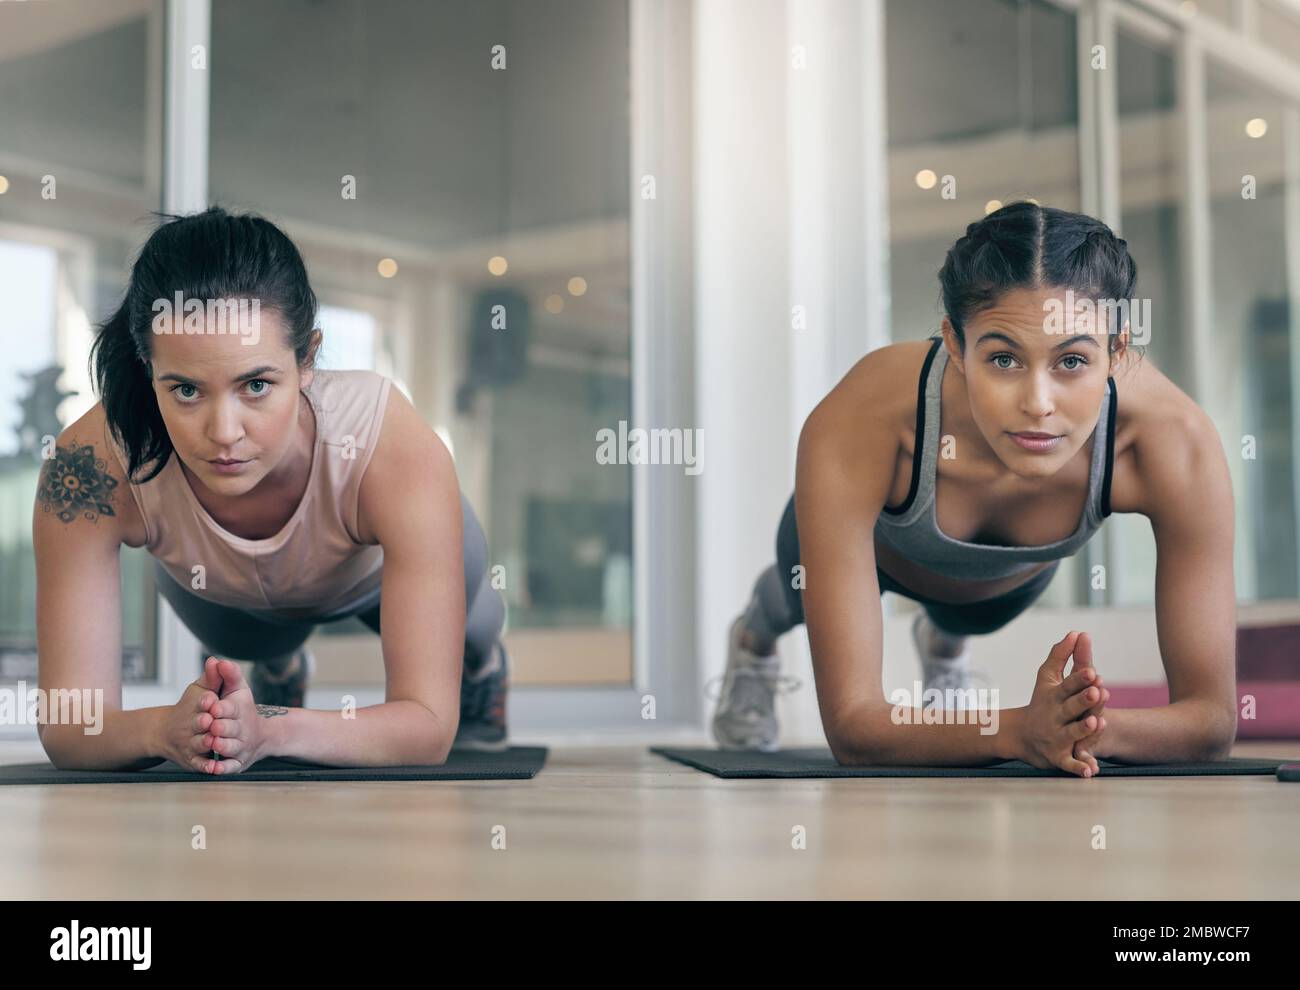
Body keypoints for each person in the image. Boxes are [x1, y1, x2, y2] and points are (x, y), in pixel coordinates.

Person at [712, 202, 1237, 776]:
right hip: (884, 551)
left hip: (1001, 587)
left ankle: (943, 643)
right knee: (790, 600)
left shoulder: (1173, 441)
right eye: (1004, 358)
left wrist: (1076, 727)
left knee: (968, 620)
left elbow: (1211, 721)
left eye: (1072, 361)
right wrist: (1014, 730)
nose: (1038, 403)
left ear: (1116, 352)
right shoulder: (862, 415)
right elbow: (855, 729)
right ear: (956, 347)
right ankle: (751, 641)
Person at [35, 206, 507, 774]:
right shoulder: (88, 466)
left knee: (472, 625)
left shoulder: (388, 441)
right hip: (225, 590)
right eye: (185, 389)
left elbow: (427, 729)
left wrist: (272, 730)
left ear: (307, 358)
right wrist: (162, 729)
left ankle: (484, 668)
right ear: (146, 367)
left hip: (370, 573)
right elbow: (69, 726)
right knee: (256, 644)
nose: (224, 433)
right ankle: (282, 666)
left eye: (256, 384)